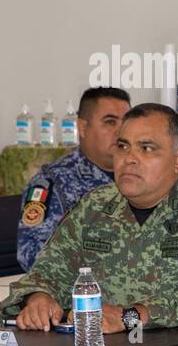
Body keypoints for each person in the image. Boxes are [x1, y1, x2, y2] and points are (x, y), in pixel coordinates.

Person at [6, 103, 178, 333]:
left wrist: (129, 317)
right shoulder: (96, 206)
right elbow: (47, 271)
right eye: (123, 146)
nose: (129, 158)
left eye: (146, 148)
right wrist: (39, 298)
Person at [17, 86, 131, 270]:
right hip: (84, 290)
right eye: (110, 122)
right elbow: (31, 255)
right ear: (82, 128)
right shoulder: (53, 183)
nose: (120, 132)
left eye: (125, 123)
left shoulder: (142, 175)